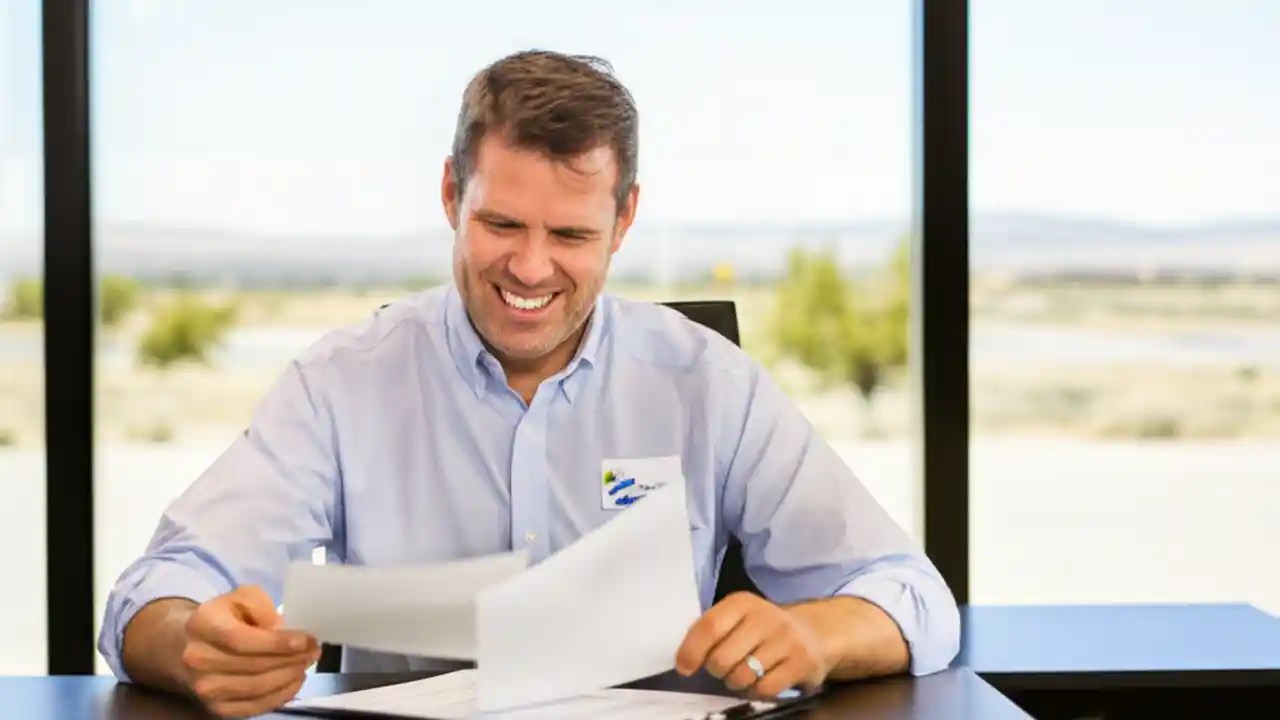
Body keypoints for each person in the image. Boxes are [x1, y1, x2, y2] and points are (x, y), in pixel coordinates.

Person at [100, 49, 959, 718]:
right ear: (451, 195)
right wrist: (193, 644)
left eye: (571, 235)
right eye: (502, 223)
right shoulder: (343, 383)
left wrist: (814, 633)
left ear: (624, 219)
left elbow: (912, 594)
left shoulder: (709, 384)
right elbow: (157, 590)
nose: (531, 268)